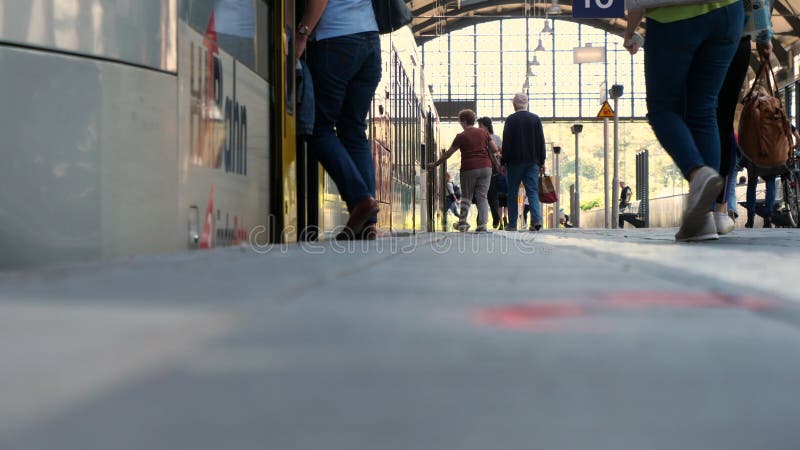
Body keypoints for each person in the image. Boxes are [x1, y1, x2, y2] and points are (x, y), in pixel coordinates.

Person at [625, 0, 744, 242]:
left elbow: (636, 3)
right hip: (728, 14)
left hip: (674, 15)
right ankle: (704, 217)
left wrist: (629, 32)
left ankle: (697, 172)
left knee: (663, 109)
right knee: (704, 109)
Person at [297, 0, 381, 240]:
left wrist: (303, 34)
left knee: (319, 130)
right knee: (354, 131)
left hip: (336, 42)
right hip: (370, 44)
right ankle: (368, 224)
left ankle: (360, 200)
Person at [714, 0, 773, 234]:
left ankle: (702, 204)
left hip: (691, 33)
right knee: (723, 121)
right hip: (733, 36)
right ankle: (719, 209)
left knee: (698, 118)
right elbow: (757, 2)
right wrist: (763, 36)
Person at [428, 109, 500, 232]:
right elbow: (494, 149)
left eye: (460, 121)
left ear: (464, 121)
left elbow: (448, 154)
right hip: (486, 168)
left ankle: (462, 223)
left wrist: (435, 164)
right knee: (482, 196)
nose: (460, 123)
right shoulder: (484, 133)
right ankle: (482, 225)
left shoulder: (461, 136)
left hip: (469, 168)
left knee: (467, 196)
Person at [501, 93, 547, 231]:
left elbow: (506, 143)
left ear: (514, 104)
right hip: (532, 162)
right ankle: (536, 220)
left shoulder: (510, 120)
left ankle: (513, 224)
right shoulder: (535, 119)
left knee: (513, 192)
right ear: (526, 103)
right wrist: (542, 161)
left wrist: (503, 162)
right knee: (532, 190)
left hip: (514, 162)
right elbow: (541, 141)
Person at [478, 117, 503, 229]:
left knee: (484, 194)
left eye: (480, 125)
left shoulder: (495, 138)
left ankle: (484, 220)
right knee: (489, 195)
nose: (479, 127)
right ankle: (494, 218)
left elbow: (501, 153)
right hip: (487, 168)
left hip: (490, 168)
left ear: (486, 126)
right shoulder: (496, 138)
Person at [744, 163, 776, 228]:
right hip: (769, 157)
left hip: (753, 158)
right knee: (770, 182)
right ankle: (768, 217)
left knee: (751, 185)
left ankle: (750, 219)